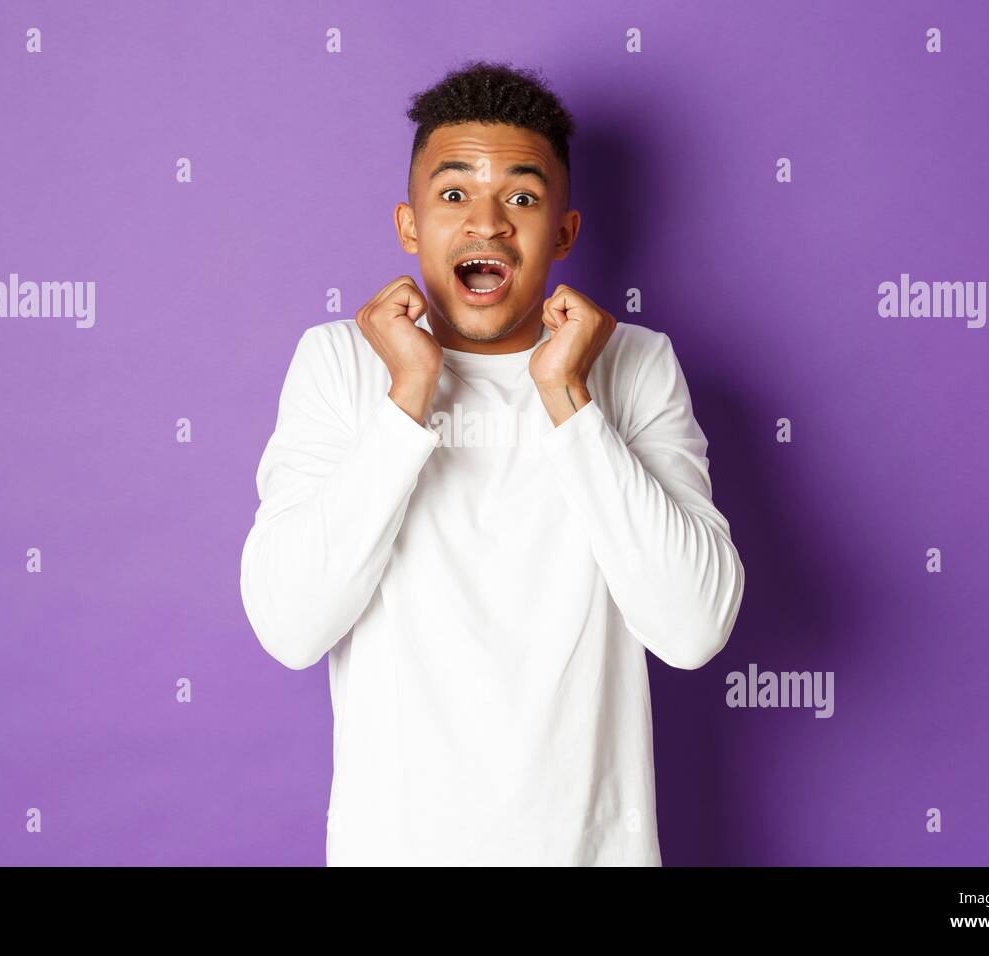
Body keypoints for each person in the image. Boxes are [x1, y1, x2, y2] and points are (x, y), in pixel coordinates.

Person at [239, 60, 745, 866]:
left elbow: (692, 628)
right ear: (409, 227)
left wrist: (568, 396)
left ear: (565, 231)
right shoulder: (339, 362)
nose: (488, 223)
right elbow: (291, 626)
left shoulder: (633, 365)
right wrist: (409, 394)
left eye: (521, 196)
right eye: (453, 195)